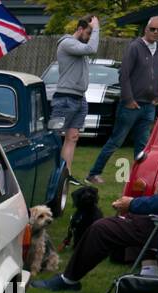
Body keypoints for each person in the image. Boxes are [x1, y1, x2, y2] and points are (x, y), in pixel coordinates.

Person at [32, 171, 158, 290]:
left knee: (103, 228)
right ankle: (149, 272)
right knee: (131, 220)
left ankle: (68, 280)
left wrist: (132, 204)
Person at [87, 16, 158, 184]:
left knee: (142, 145)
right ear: (146, 29)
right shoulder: (135, 47)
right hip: (130, 105)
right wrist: (128, 99)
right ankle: (93, 173)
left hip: (148, 105)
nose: (156, 32)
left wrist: (156, 96)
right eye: (153, 29)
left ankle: (138, 178)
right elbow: (124, 74)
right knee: (116, 141)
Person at [52, 16, 100, 178]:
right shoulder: (67, 43)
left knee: (72, 137)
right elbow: (92, 49)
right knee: (55, 138)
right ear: (80, 30)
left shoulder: (79, 45)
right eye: (88, 33)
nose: (89, 37)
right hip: (65, 98)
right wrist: (97, 28)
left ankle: (66, 175)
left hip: (80, 98)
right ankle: (52, 174)